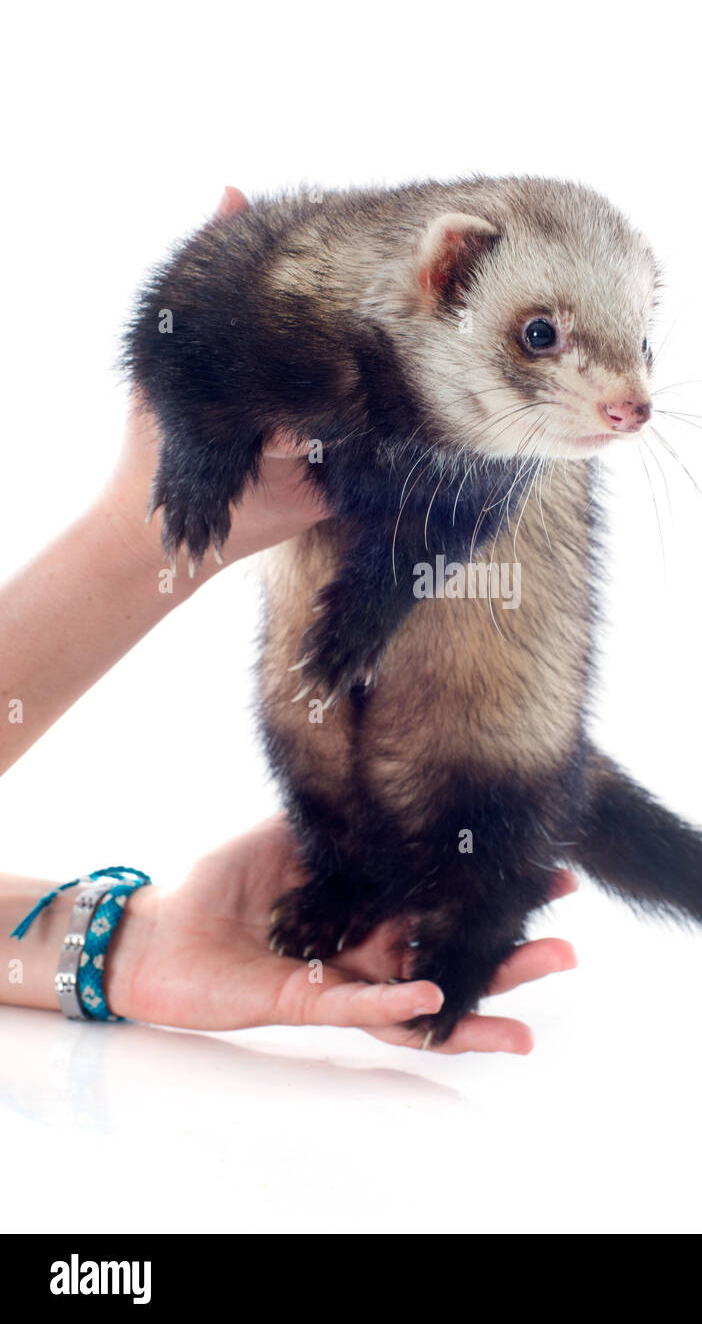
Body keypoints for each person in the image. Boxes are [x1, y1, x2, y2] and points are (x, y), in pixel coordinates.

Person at [0, 187, 577, 1055]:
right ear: (441, 275)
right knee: (319, 754)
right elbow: (182, 336)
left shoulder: (469, 436)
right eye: (540, 337)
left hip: (473, 706)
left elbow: (437, 531)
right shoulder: (294, 303)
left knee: (466, 818)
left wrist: (122, 943)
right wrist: (148, 524)